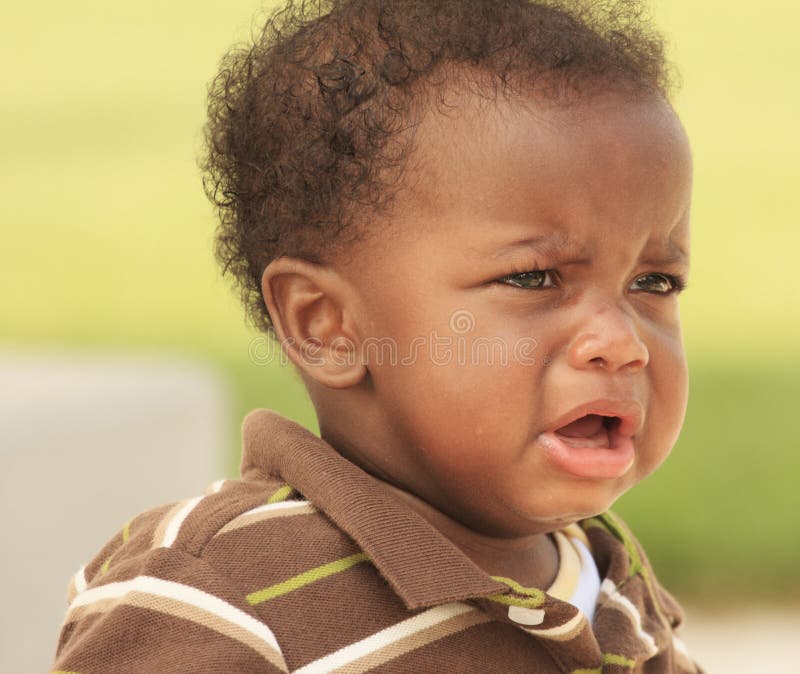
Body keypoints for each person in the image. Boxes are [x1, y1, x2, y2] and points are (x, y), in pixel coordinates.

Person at [51, 0, 703, 671]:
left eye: (655, 283)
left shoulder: (609, 579)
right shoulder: (215, 590)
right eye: (535, 278)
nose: (621, 342)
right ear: (327, 326)